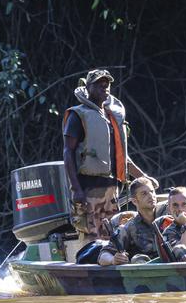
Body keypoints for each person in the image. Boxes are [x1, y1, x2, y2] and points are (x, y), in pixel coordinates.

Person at [62, 69, 156, 241]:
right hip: (88, 188)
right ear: (88, 87)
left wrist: (143, 177)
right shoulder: (78, 115)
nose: (104, 86)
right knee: (92, 236)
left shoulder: (111, 117)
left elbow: (121, 156)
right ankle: (89, 267)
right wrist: (76, 189)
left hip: (111, 189)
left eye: (107, 84)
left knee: (112, 234)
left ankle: (111, 264)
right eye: (99, 83)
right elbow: (68, 152)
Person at [98, 177, 186, 265]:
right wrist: (113, 259)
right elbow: (103, 255)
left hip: (176, 267)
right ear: (134, 201)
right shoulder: (129, 227)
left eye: (152, 191)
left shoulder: (170, 212)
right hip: (148, 273)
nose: (151, 196)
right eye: (144, 193)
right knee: (137, 259)